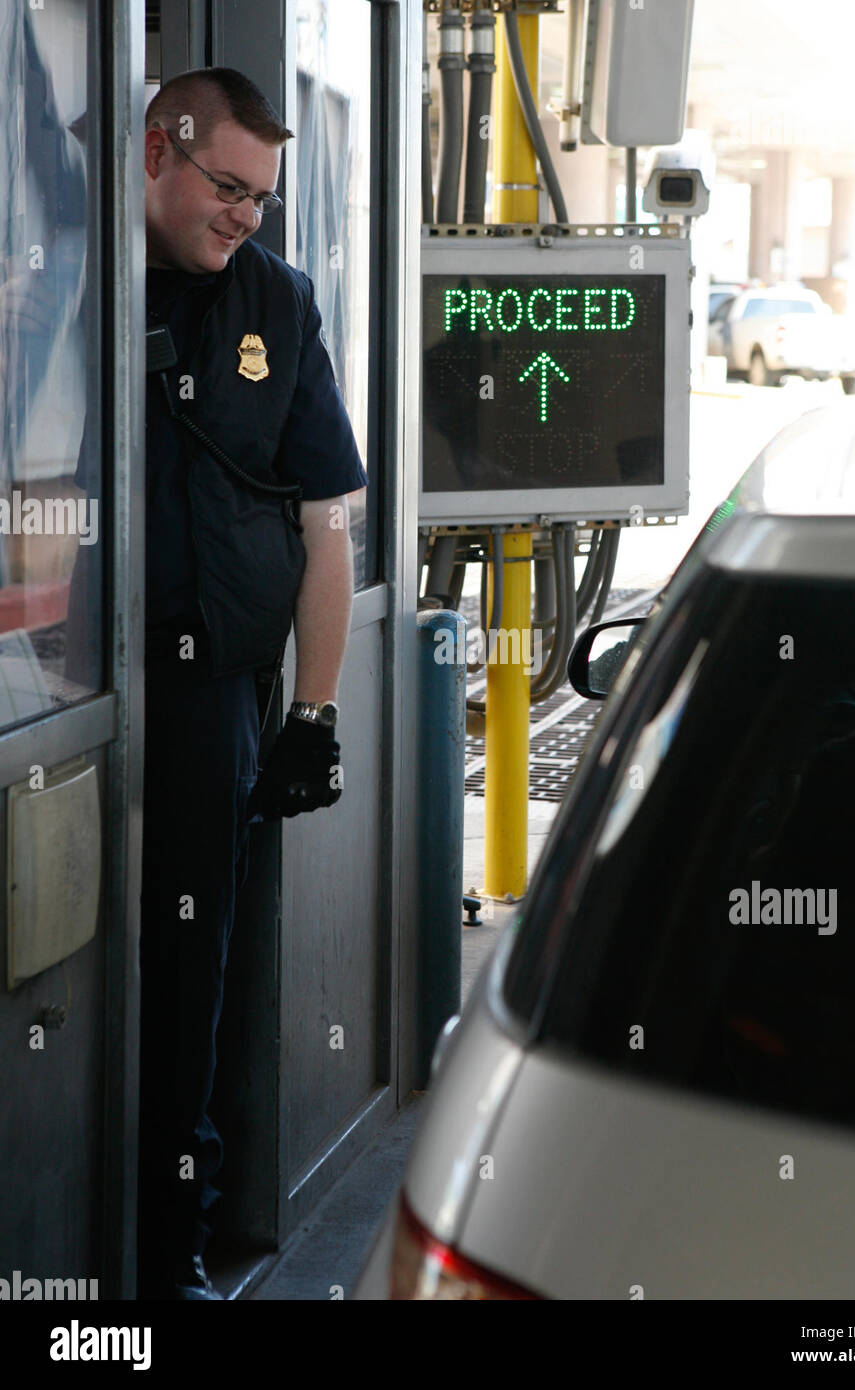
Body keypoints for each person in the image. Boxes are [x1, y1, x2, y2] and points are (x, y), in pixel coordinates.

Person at [137, 67, 367, 1300]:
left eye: (262, 199)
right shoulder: (65, 277)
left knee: (191, 981)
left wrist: (313, 716)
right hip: (63, 698)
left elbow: (325, 521)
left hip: (211, 701)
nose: (244, 217)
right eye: (229, 187)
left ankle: (169, 1257)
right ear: (157, 150)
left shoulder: (278, 302)